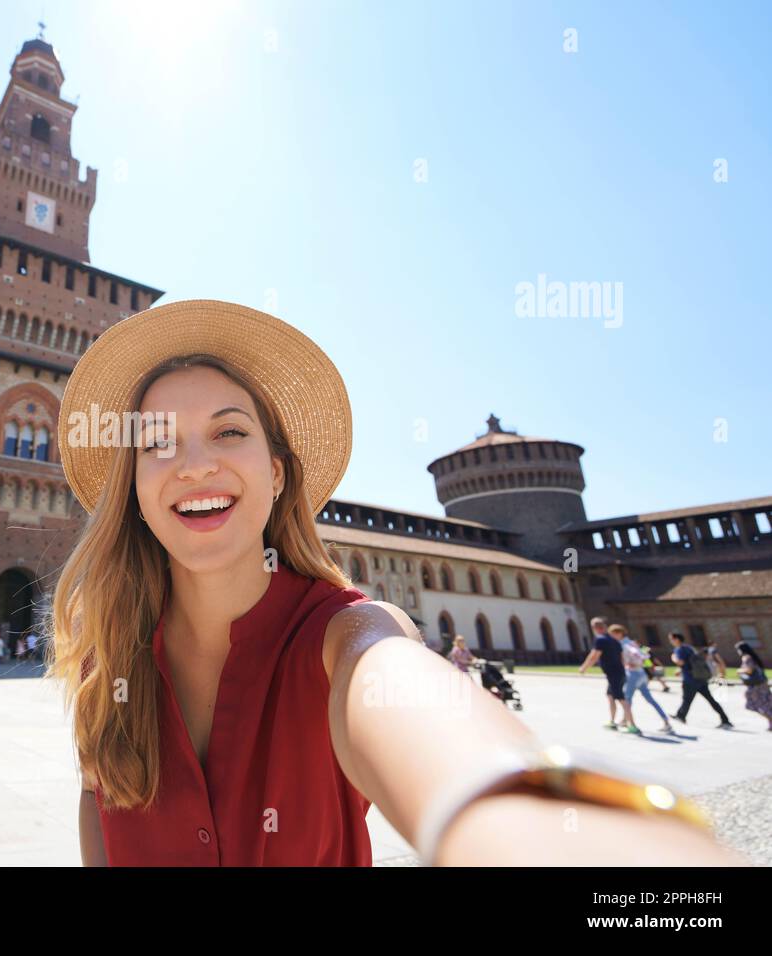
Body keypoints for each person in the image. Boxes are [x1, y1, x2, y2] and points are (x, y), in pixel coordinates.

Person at [45, 300, 738, 867]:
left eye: (229, 433)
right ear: (133, 487)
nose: (194, 464)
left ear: (279, 473)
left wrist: (534, 817)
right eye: (158, 443)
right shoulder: (111, 658)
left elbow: (414, 707)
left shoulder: (346, 634)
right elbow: (96, 804)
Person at [579, 619, 635, 732]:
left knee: (621, 699)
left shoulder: (600, 640)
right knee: (610, 696)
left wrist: (584, 668)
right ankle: (612, 721)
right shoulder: (614, 640)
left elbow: (594, 655)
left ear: (594, 628)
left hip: (614, 673)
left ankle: (632, 725)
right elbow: (621, 658)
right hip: (618, 673)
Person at [670, 632, 733, 728]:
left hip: (690, 680)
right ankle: (725, 720)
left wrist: (673, 657)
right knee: (710, 700)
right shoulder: (690, 648)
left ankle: (681, 716)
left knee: (687, 700)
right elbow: (693, 662)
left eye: (671, 639)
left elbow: (681, 662)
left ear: (677, 639)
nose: (671, 642)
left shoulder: (678, 650)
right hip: (700, 678)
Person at [620, 632, 673, 734]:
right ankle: (666, 721)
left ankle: (628, 723)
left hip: (633, 675)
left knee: (627, 700)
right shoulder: (637, 646)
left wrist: (628, 663)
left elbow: (634, 657)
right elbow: (645, 658)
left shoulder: (627, 645)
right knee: (650, 699)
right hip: (642, 674)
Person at [735, 641, 772, 731]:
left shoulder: (746, 657)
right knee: (767, 704)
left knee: (753, 705)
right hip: (762, 684)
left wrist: (739, 671)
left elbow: (749, 670)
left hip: (755, 686)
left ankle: (771, 720)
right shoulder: (753, 656)